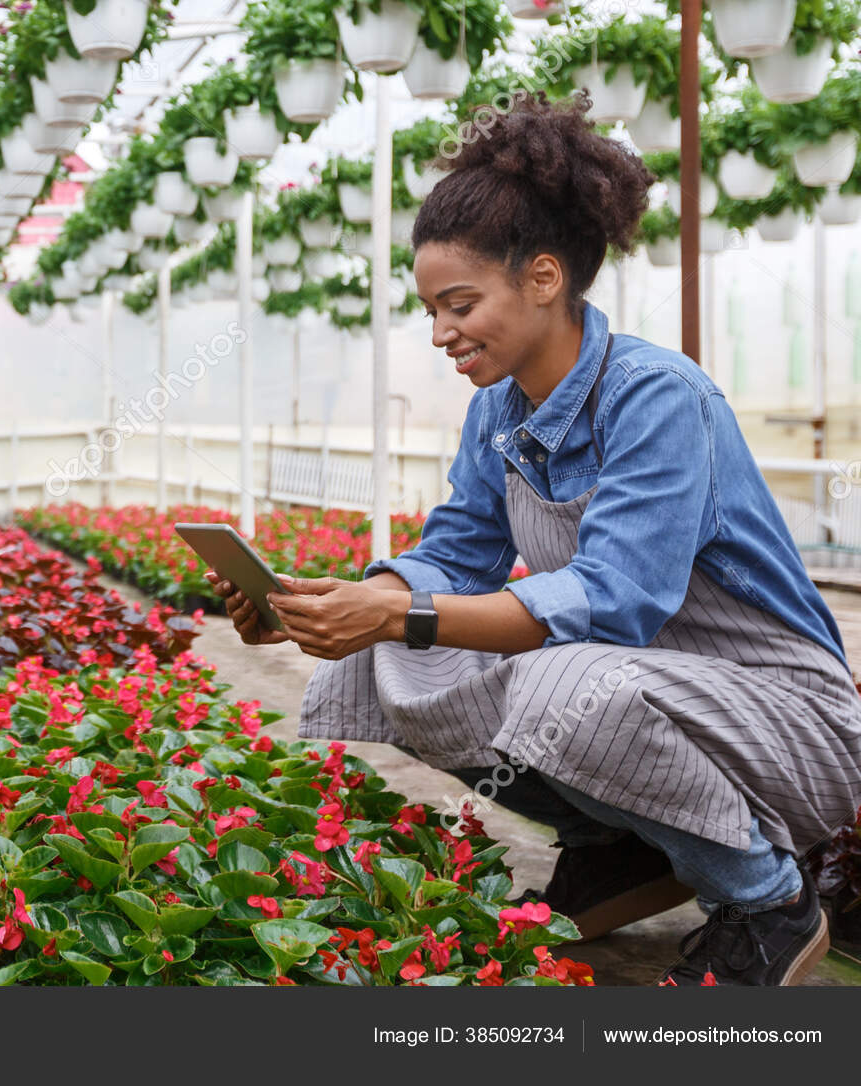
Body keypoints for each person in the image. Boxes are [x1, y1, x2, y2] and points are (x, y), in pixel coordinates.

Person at [206, 91, 861, 986]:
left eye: (460, 304)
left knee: (560, 674)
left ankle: (764, 902)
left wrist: (402, 615)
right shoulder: (498, 415)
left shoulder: (658, 397)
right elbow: (451, 556)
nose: (441, 333)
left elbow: (611, 601)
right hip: (655, 696)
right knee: (392, 661)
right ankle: (620, 845)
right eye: (431, 308)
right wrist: (322, 611)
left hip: (786, 719)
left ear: (543, 279)